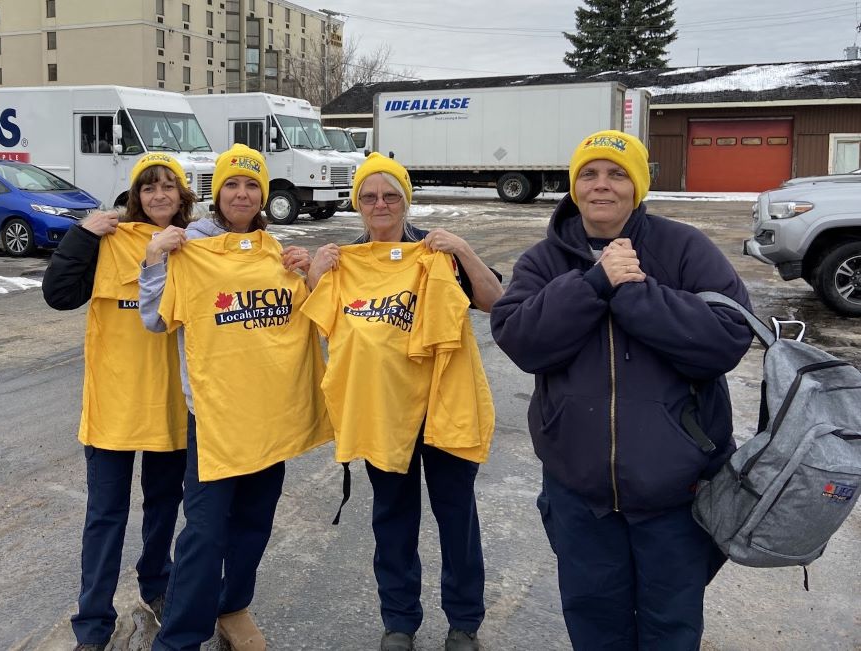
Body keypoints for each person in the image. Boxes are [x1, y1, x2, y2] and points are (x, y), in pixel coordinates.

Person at [490, 130, 754, 650]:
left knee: (670, 629)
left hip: (677, 495)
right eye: (589, 174)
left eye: (617, 174)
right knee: (594, 626)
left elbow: (729, 338)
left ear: (638, 187)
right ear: (573, 187)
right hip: (579, 495)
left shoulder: (683, 249)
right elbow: (521, 341)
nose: (602, 185)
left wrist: (635, 296)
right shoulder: (546, 261)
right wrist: (593, 286)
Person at [303, 153, 502, 651]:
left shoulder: (437, 254)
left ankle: (463, 624)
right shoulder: (345, 262)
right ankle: (398, 622)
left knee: (457, 516)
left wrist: (465, 251)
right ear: (358, 205)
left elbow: (496, 301)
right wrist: (313, 277)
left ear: (405, 201)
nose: (381, 204)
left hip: (443, 408)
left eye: (391, 195)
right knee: (392, 519)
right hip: (383, 412)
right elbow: (313, 327)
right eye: (369, 197)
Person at [139, 144, 331, 651]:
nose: (241, 193)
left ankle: (233, 606)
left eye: (251, 185)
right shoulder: (191, 249)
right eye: (231, 184)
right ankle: (180, 637)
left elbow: (319, 321)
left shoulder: (276, 252)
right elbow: (156, 319)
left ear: (262, 194)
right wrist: (155, 260)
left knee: (254, 523)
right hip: (216, 414)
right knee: (204, 532)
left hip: (272, 411)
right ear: (217, 192)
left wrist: (308, 276)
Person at [42, 152, 196, 651]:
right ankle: (92, 622)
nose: (158, 196)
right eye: (148, 188)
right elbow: (58, 294)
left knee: (163, 507)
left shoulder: (195, 246)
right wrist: (83, 235)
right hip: (112, 404)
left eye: (168, 187)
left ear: (182, 195)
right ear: (135, 196)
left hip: (172, 403)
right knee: (105, 515)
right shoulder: (108, 243)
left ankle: (157, 584)